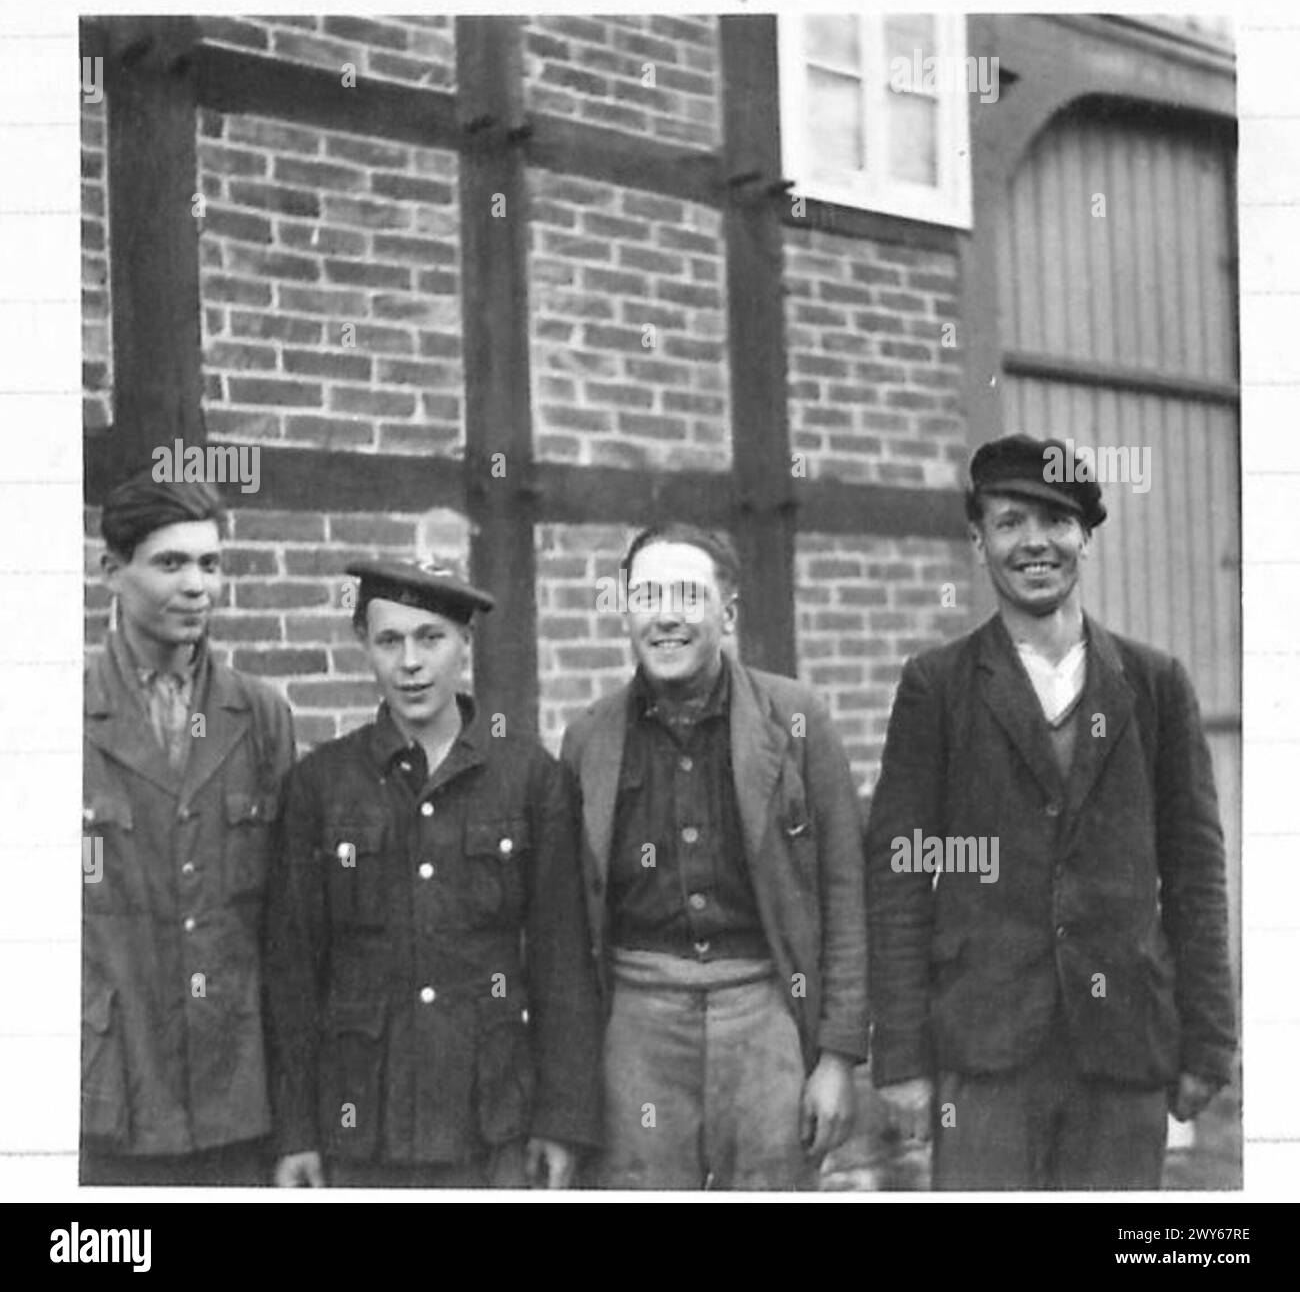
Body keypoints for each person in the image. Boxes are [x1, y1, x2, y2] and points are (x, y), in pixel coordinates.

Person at [865, 433, 1237, 1190]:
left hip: (1125, 1048)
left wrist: (1209, 1039)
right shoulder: (937, 687)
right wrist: (901, 1055)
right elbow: (900, 875)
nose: (1035, 542)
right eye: (1009, 523)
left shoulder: (1156, 683)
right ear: (978, 542)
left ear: (1086, 538)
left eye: (1057, 520)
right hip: (985, 1055)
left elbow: (1196, 872)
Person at [266, 558, 601, 1188]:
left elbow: (562, 963)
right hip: (361, 1123)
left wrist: (562, 1121)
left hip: (494, 1119)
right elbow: (292, 972)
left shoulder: (531, 780)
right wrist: (297, 1133)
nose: (411, 663)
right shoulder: (320, 786)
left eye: (431, 638)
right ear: (364, 644)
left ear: (465, 644)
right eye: (390, 640)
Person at [561, 524, 868, 1190]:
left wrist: (838, 1056)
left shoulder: (797, 719)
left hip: (762, 1008)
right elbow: (570, 915)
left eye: (687, 595)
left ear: (726, 613)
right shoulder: (588, 736)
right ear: (626, 611)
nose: (666, 615)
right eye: (647, 595)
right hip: (637, 1016)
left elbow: (845, 891)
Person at [82, 471, 295, 1185]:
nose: (197, 583)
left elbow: (286, 924)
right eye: (170, 562)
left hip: (238, 1097)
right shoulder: (59, 715)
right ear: (111, 570)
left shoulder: (261, 716)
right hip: (111, 1098)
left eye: (211, 563)